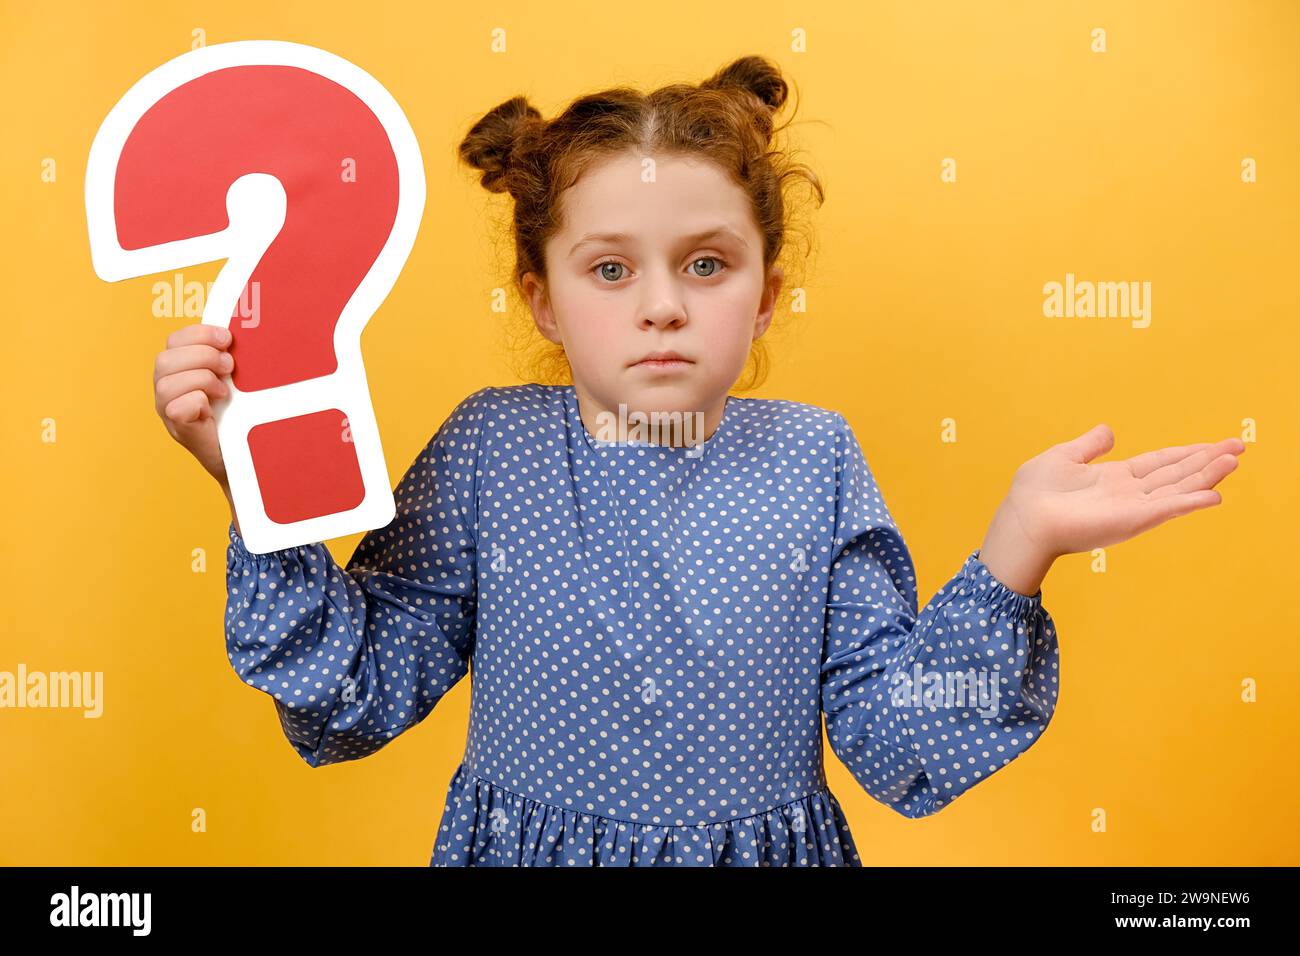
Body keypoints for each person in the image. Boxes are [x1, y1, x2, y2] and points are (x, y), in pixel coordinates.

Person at [152, 55, 1245, 866]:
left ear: (766, 292)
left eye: (707, 263)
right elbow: (357, 694)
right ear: (542, 295)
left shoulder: (815, 459)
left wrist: (1018, 547)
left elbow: (891, 742)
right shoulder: (493, 444)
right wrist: (254, 480)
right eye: (611, 268)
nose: (664, 305)